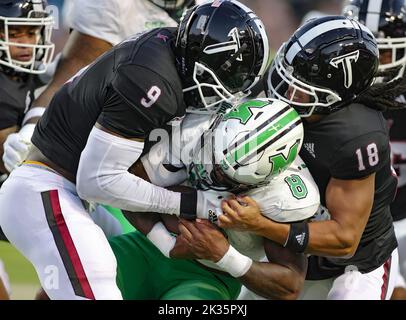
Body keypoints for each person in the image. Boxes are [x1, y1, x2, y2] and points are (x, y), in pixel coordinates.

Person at [0, 0, 269, 300]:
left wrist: (163, 242)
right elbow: (98, 182)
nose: (229, 91)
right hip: (46, 190)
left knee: (113, 266)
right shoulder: (154, 81)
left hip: (73, 194)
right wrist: (193, 203)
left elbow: (124, 180)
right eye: (230, 76)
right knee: (98, 286)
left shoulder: (168, 53)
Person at [217, 15, 401, 300]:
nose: (285, 90)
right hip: (292, 252)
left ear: (337, 94)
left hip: (354, 264)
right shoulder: (278, 89)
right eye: (286, 73)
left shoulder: (355, 136)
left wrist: (260, 224)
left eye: (301, 85)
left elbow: (345, 240)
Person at [108, 98, 319, 300]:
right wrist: (166, 244)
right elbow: (124, 189)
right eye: (216, 160)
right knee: (86, 271)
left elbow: (290, 286)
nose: (213, 173)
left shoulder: (283, 196)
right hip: (147, 247)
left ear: (266, 179)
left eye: (226, 176)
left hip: (212, 277)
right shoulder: (195, 129)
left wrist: (223, 254)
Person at [2, 0, 199, 173]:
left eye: (30, 33)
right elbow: (71, 77)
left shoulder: (215, 8)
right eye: (16, 34)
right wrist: (30, 130)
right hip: (116, 128)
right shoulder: (109, 4)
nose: (25, 42)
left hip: (185, 122)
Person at [343, 0, 406, 300]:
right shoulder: (336, 96)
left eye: (384, 52)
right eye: (362, 54)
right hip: (358, 223)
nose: (375, 65)